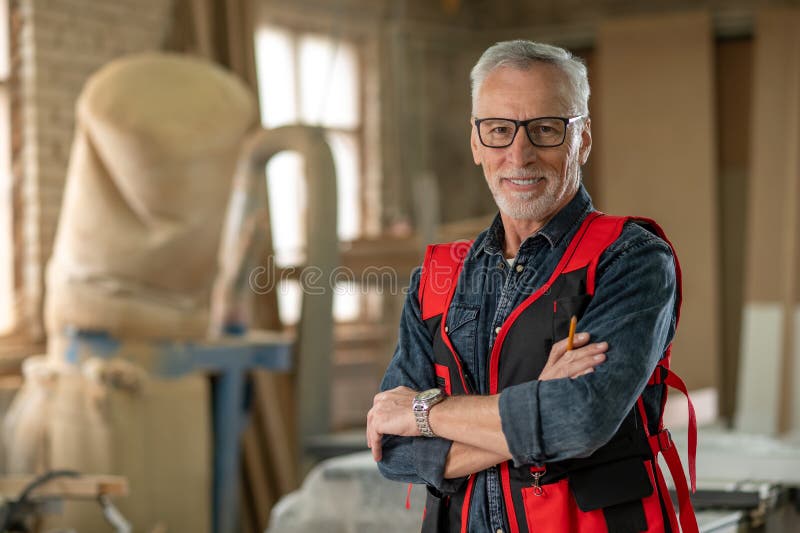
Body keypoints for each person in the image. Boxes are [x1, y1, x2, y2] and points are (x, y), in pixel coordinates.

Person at [366, 40, 698, 533]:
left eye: (545, 129)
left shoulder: (630, 258)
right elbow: (393, 452)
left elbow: (578, 421)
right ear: (477, 143)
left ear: (582, 139)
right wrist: (538, 404)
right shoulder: (438, 277)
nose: (518, 154)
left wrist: (422, 411)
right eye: (498, 130)